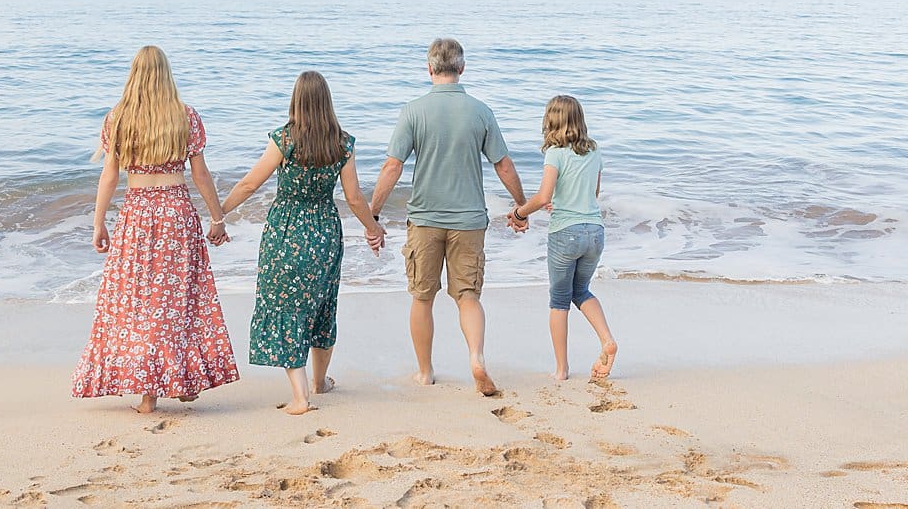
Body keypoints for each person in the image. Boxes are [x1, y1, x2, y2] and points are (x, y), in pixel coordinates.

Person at [71, 45, 239, 413]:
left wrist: (99, 223)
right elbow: (200, 174)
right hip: (176, 213)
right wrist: (217, 217)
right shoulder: (185, 116)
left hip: (137, 216)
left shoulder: (118, 118)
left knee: (139, 303)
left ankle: (149, 395)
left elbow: (110, 175)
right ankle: (181, 377)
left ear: (134, 75)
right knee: (179, 301)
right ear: (166, 74)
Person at [220, 71, 386, 414]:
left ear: (296, 101)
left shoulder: (284, 140)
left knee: (285, 309)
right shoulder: (343, 143)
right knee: (322, 306)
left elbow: (250, 184)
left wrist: (218, 212)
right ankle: (320, 381)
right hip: (324, 231)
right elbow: (354, 198)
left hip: (286, 231)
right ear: (327, 102)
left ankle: (300, 395)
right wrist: (373, 229)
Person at [368, 38, 527, 395]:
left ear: (429, 69)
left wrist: (373, 214)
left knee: (422, 297)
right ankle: (476, 358)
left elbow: (393, 166)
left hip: (424, 220)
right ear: (462, 68)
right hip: (469, 220)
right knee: (468, 295)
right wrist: (521, 206)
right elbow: (503, 165)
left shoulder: (413, 110)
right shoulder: (481, 111)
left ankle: (425, 372)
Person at [507, 95, 617, 380]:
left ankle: (561, 369)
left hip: (566, 233)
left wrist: (519, 213)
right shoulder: (595, 151)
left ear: (551, 121)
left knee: (559, 300)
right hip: (595, 231)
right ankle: (606, 339)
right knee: (581, 291)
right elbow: (592, 195)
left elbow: (544, 196)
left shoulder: (555, 153)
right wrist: (559, 200)